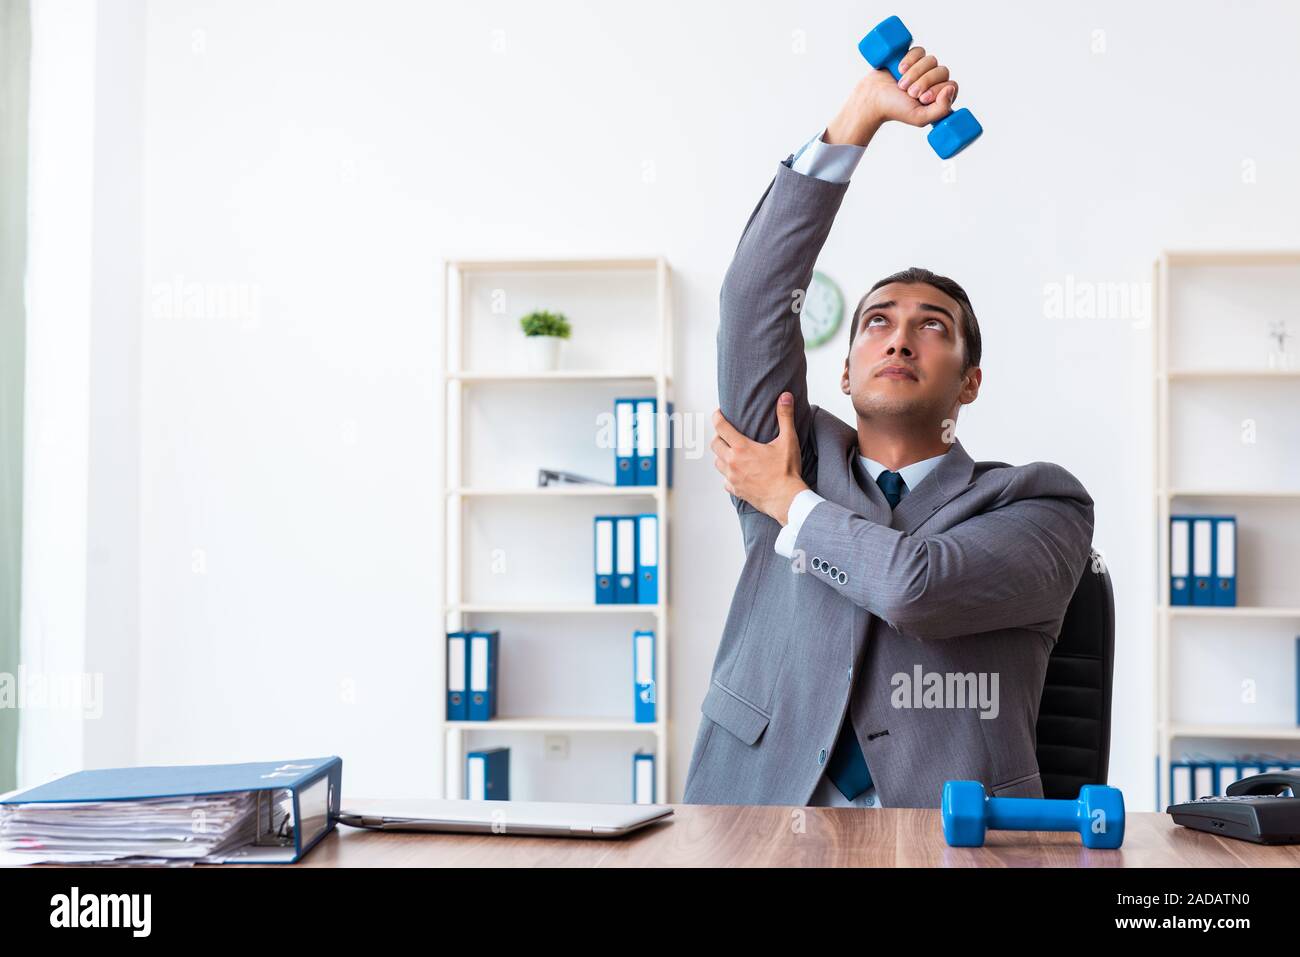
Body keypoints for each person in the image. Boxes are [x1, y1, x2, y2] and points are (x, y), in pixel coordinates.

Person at [682, 43, 1096, 809]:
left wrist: (789, 506)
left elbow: (917, 586)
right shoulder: (793, 447)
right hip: (752, 819)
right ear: (844, 373)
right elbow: (751, 299)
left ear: (970, 382)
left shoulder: (1041, 505)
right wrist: (860, 115)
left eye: (932, 326)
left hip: (946, 839)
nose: (900, 338)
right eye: (877, 322)